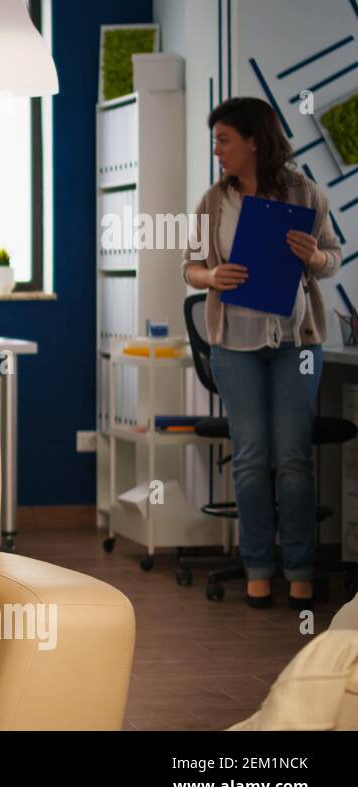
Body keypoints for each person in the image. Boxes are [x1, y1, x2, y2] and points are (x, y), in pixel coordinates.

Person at [182, 96, 341, 610]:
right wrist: (212, 276)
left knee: (293, 457)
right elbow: (190, 266)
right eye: (215, 141)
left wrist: (313, 256)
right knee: (250, 458)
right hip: (235, 344)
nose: (217, 151)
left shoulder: (305, 192)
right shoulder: (214, 200)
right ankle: (257, 565)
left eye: (224, 139)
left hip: (297, 342)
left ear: (254, 140)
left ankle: (298, 566)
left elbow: (333, 257)